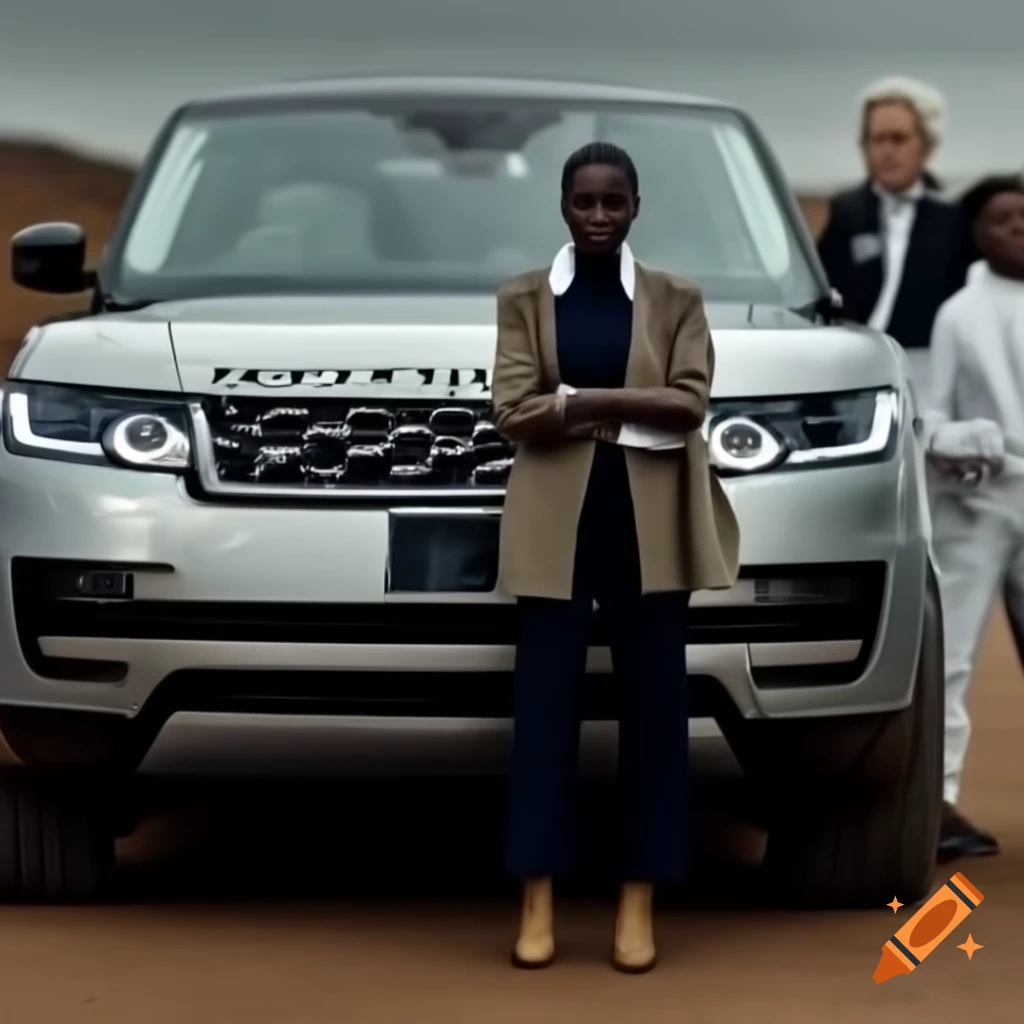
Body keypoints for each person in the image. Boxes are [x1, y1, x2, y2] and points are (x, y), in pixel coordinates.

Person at [491, 142, 739, 973]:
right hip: (553, 530)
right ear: (563, 205)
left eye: (614, 202)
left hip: (650, 528)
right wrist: (633, 405)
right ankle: (537, 901)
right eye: (584, 202)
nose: (598, 216)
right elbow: (511, 410)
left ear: (636, 207)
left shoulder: (677, 298)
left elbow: (690, 403)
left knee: (657, 717)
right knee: (542, 717)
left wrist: (578, 404)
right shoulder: (523, 297)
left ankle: (640, 900)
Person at [921, 173, 1024, 860]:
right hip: (981, 497)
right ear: (978, 234)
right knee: (952, 654)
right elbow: (932, 407)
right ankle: (935, 800)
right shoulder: (959, 312)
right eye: (1001, 219)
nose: (1017, 227)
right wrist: (949, 437)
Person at [816, 76, 974, 408]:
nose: (888, 150)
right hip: (856, 367)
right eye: (878, 139)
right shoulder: (846, 212)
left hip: (928, 371)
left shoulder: (953, 220)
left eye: (899, 138)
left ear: (926, 146)